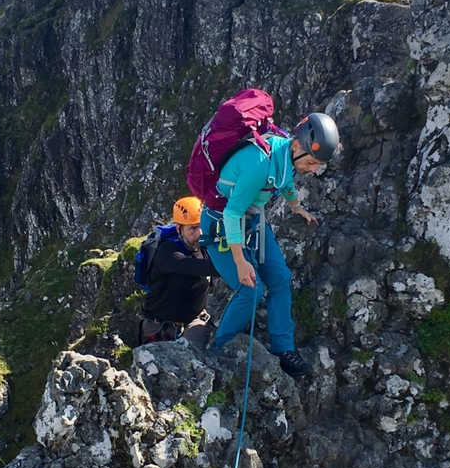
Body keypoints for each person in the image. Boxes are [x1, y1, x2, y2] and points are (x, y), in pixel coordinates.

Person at [202, 111, 340, 380]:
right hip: (222, 224)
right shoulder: (260, 164)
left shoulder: (285, 150)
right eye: (312, 163)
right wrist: (241, 262)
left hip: (253, 219)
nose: (313, 170)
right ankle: (219, 349)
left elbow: (285, 179)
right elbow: (231, 214)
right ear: (298, 145)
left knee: (280, 278)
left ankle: (283, 349)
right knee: (250, 290)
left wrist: (296, 207)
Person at [138, 196, 216, 347]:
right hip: (161, 328)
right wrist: (235, 268)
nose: (199, 233)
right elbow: (188, 266)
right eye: (192, 228)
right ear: (179, 228)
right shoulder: (167, 251)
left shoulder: (204, 246)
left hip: (193, 321)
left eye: (201, 226)